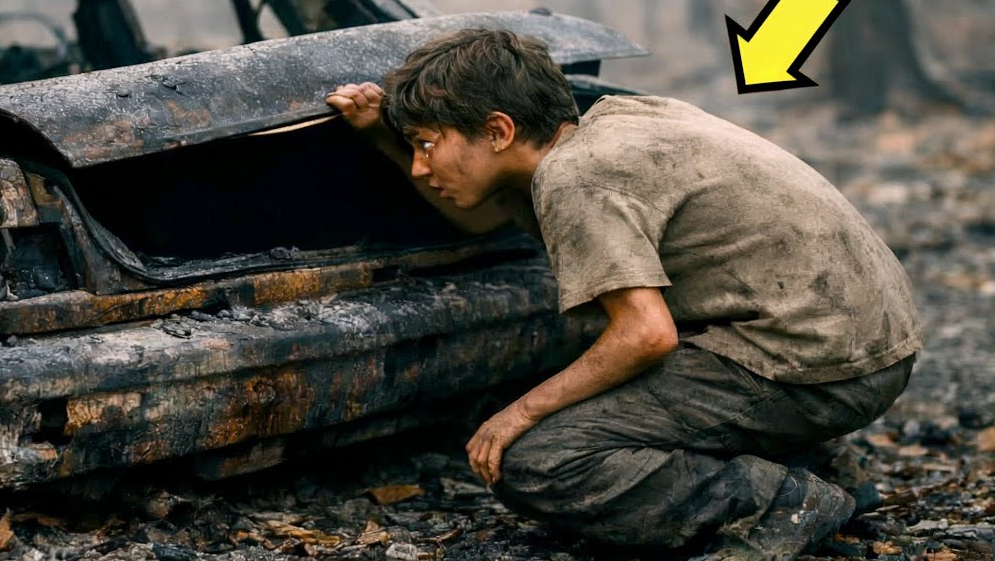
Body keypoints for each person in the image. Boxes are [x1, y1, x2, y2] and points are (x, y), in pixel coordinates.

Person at [325, 28, 920, 560]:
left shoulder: (576, 177)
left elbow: (646, 335)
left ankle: (779, 502)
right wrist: (387, 137)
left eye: (428, 143)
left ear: (499, 130)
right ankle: (826, 467)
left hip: (815, 368)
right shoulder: (616, 124)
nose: (420, 166)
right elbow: (479, 216)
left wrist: (519, 413)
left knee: (538, 459)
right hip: (869, 344)